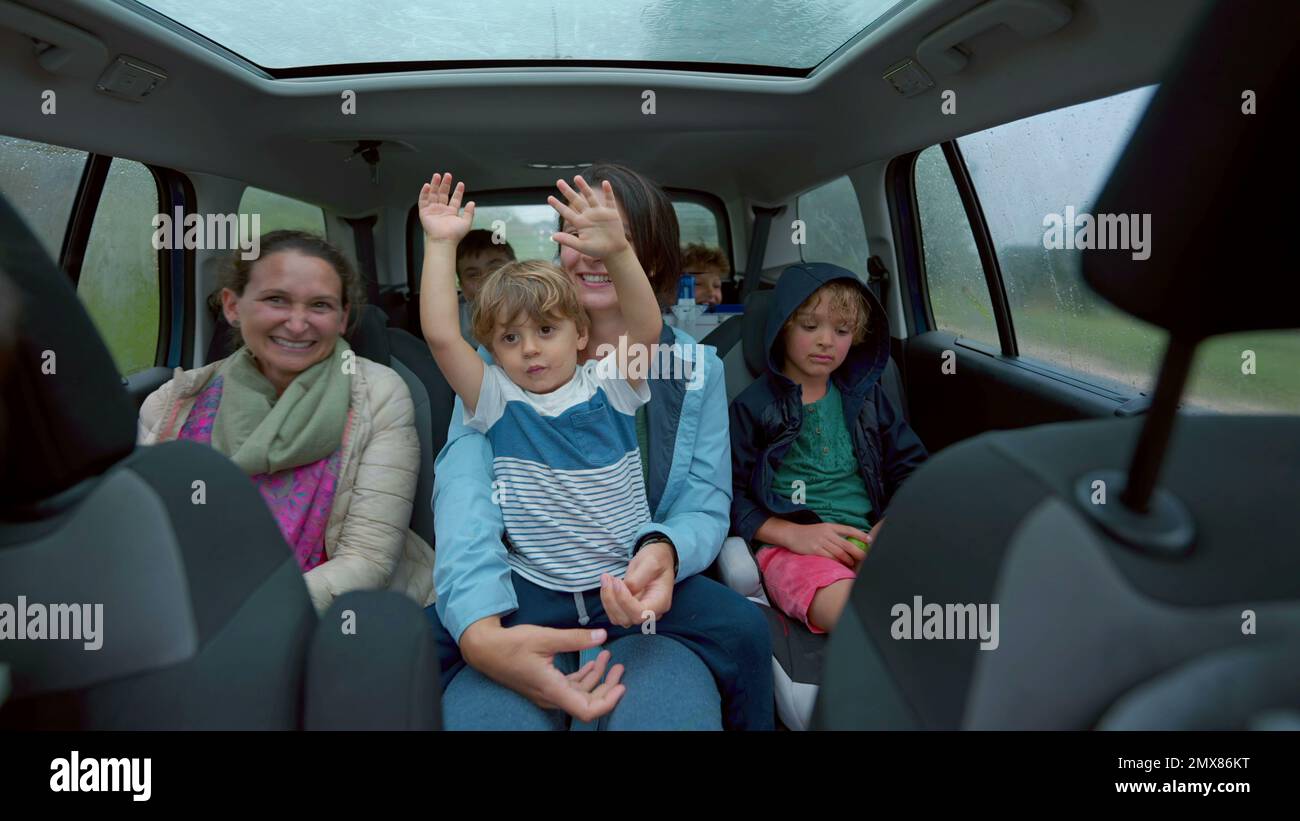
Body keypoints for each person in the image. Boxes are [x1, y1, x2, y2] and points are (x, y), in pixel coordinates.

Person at [426, 163, 773, 730]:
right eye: (577, 235)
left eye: (614, 239)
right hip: (523, 591)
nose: (592, 252)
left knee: (743, 634)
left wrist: (663, 553)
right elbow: (466, 500)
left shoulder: (681, 370)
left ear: (649, 260)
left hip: (638, 597)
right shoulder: (499, 372)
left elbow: (706, 501)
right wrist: (480, 631)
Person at [138, 230, 436, 613]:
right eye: (276, 300)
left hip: (329, 617)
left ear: (343, 317)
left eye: (320, 306)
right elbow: (145, 538)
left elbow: (367, 560)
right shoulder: (173, 403)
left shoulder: (381, 395)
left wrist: (246, 613)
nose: (297, 324)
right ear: (232, 306)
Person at [730, 263, 928, 633]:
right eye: (810, 326)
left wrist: (892, 521)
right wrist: (792, 534)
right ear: (783, 326)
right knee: (866, 615)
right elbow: (729, 495)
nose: (827, 341)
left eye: (842, 330)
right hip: (793, 549)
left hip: (866, 537)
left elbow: (913, 468)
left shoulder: (867, 400)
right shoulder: (754, 408)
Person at [456, 228, 516, 347]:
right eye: (473, 275)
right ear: (462, 286)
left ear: (517, 270)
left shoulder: (536, 302)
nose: (485, 279)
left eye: (495, 269)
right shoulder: (455, 317)